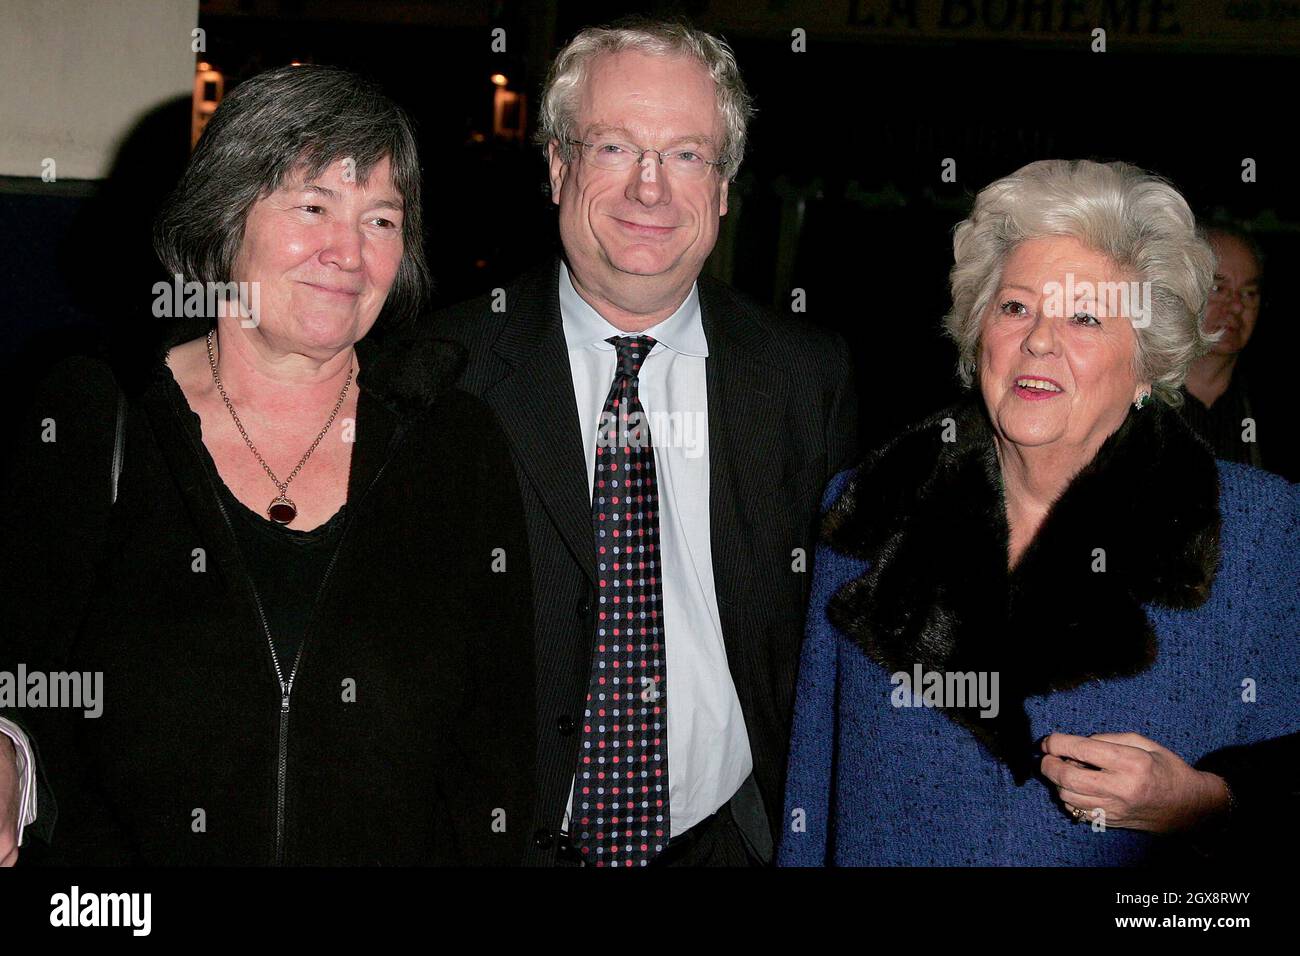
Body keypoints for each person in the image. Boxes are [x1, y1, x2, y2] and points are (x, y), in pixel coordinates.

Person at [0, 64, 536, 865]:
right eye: (314, 207)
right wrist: (8, 752)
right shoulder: (93, 420)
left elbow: (494, 750)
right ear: (223, 219)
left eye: (382, 220)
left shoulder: (453, 444)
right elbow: (19, 677)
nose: (348, 253)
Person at [779, 159, 1298, 866]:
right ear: (977, 331)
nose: (1040, 341)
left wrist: (1208, 802)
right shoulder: (870, 511)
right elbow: (815, 772)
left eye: (1085, 316)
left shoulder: (1263, 532)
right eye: (1016, 307)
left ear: (1147, 363)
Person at [434, 18, 858, 866]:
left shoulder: (805, 377)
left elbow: (833, 639)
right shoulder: (442, 371)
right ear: (558, 167)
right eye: (616, 148)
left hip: (725, 845)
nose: (651, 189)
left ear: (726, 184)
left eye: (688, 155)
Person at [1179, 225, 1296, 481]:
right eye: (1217, 289)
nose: (1235, 306)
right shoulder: (1135, 400)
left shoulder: (1276, 407)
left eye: (1249, 293)